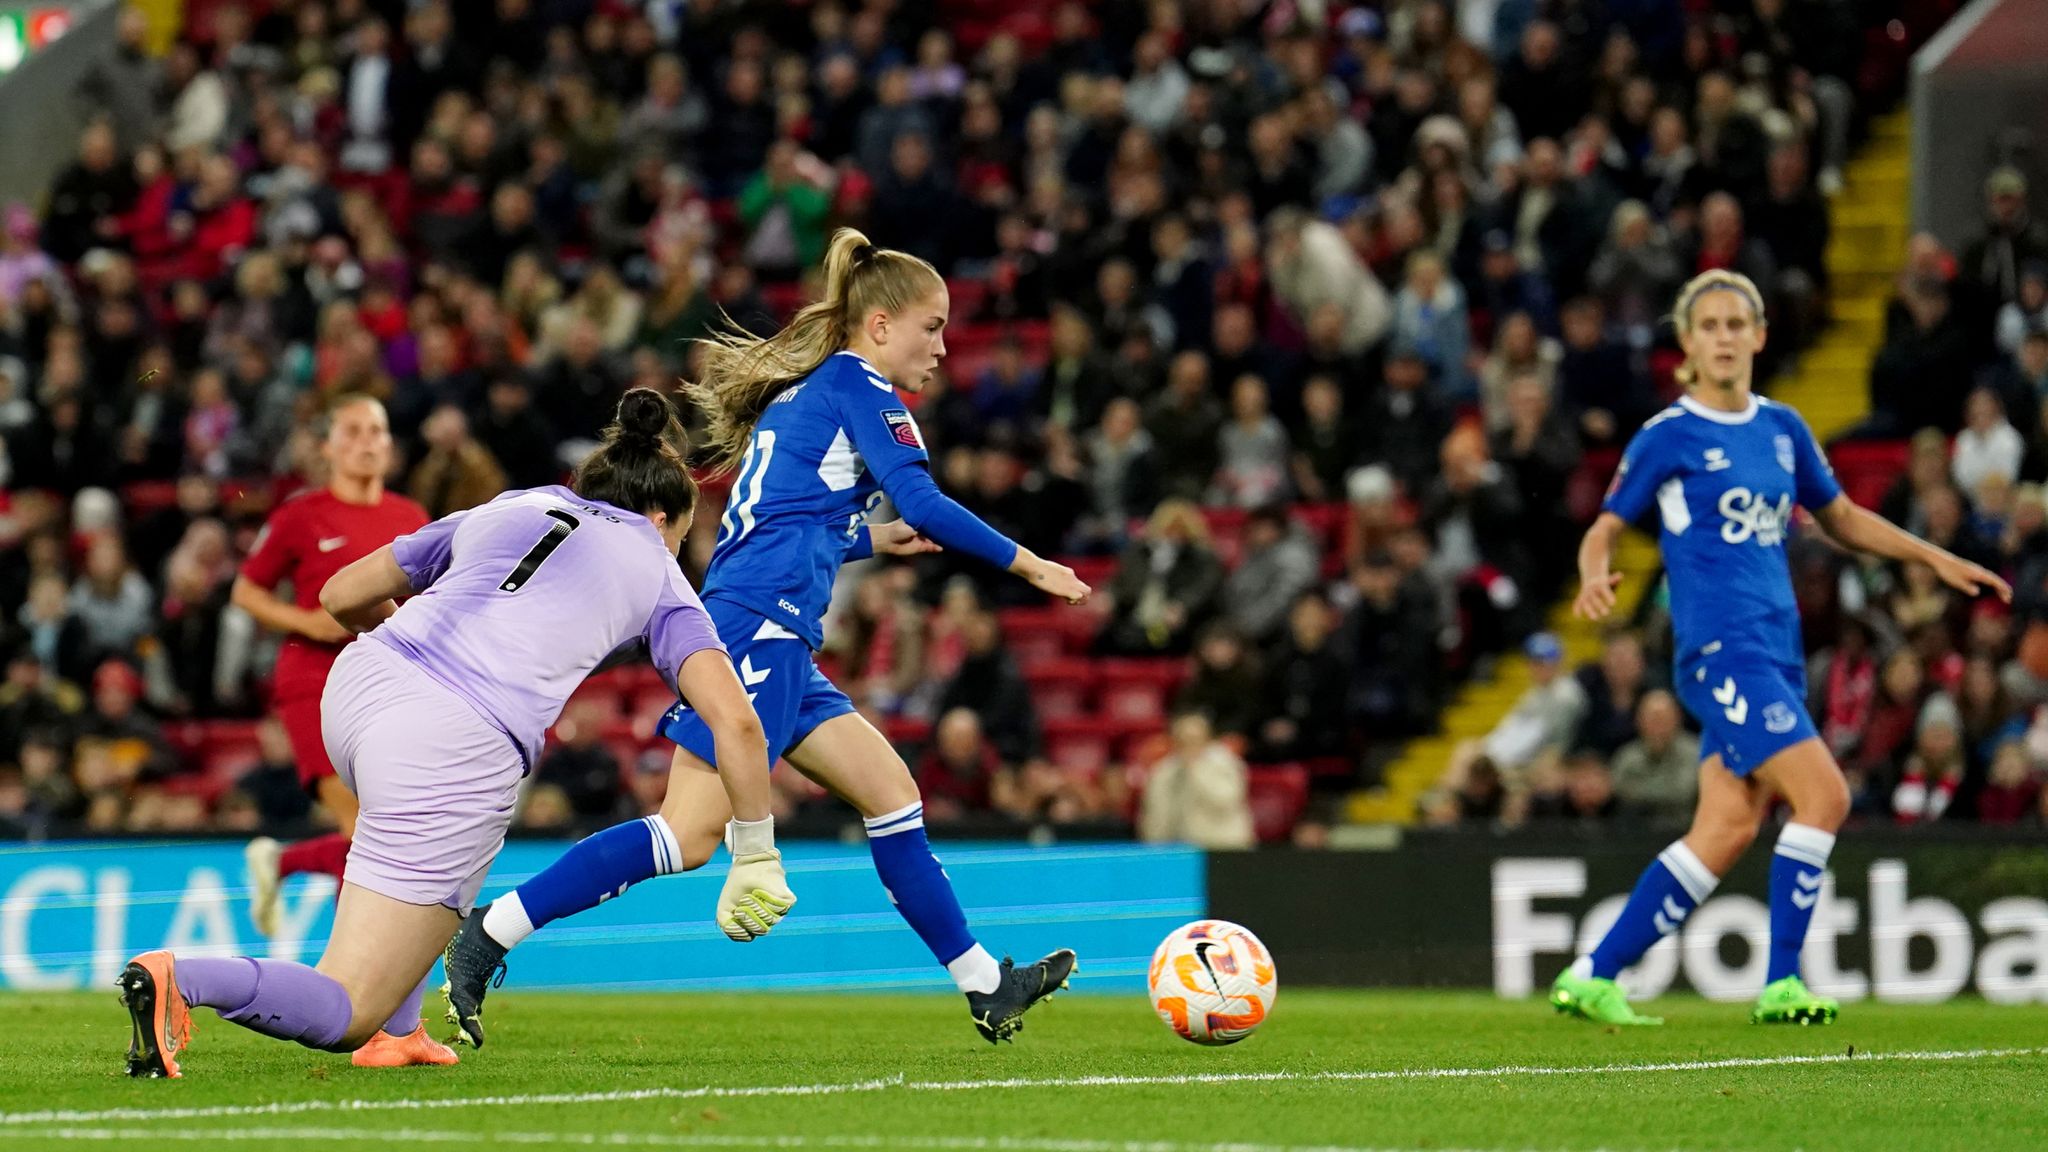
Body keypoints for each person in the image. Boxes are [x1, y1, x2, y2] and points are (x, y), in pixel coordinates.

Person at [441, 228, 1090, 1048]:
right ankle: (490, 931)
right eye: (933, 327)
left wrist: (870, 541)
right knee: (685, 836)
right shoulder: (862, 389)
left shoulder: (809, 395)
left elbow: (775, 524)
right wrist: (1029, 563)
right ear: (880, 325)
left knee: (892, 796)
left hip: (771, 626)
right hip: (760, 629)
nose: (943, 346)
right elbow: (921, 503)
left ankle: (986, 984)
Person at [116, 390, 779, 1079]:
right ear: (664, 516)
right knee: (347, 1007)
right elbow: (735, 721)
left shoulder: (513, 504)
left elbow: (341, 595)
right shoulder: (657, 567)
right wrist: (756, 849)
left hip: (358, 686)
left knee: (450, 861)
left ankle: (402, 1033)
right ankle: (180, 980)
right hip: (453, 739)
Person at [1551, 270, 2010, 1028]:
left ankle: (1592, 974)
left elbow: (1843, 518)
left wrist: (1932, 556)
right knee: (1824, 795)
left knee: (1726, 828)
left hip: (1778, 651)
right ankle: (1782, 982)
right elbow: (1604, 525)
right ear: (1688, 346)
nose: (1726, 337)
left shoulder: (1783, 429)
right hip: (1720, 651)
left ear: (1760, 337)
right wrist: (1595, 570)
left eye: (1739, 323)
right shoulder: (1670, 434)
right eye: (1711, 326)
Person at [229, 394, 440, 1067]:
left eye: (378, 430)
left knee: (382, 831)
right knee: (366, 829)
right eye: (353, 431)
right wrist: (309, 624)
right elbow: (246, 591)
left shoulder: (410, 517)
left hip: (387, 681)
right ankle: (368, 1004)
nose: (367, 442)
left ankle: (287, 869)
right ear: (327, 446)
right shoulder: (300, 515)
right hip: (313, 682)